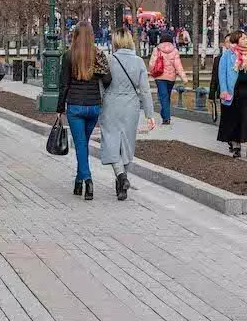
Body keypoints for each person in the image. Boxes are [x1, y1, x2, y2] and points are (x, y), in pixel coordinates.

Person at [57, 21, 112, 200]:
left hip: (75, 106)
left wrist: (59, 108)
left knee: (80, 145)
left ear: (75, 36)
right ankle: (79, 181)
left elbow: (64, 85)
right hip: (93, 106)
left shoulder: (68, 56)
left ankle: (87, 179)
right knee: (83, 144)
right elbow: (108, 80)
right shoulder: (98, 55)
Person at [100, 28, 154, 201]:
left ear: (115, 42)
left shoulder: (109, 60)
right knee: (128, 145)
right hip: (131, 106)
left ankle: (121, 177)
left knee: (111, 141)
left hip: (111, 105)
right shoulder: (138, 62)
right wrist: (149, 114)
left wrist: (98, 105)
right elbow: (145, 90)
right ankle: (122, 184)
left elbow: (102, 85)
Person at [217, 30, 247, 159]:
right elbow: (222, 74)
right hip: (233, 92)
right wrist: (224, 90)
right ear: (236, 41)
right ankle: (236, 146)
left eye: (246, 37)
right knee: (234, 118)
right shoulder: (228, 55)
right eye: (242, 38)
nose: (246, 40)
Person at [148, 32, 187, 126]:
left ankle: (166, 117)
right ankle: (166, 116)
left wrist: (152, 72)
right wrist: (184, 78)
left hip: (159, 77)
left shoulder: (157, 50)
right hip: (171, 78)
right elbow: (178, 65)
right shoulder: (175, 51)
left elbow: (151, 64)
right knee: (166, 96)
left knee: (163, 96)